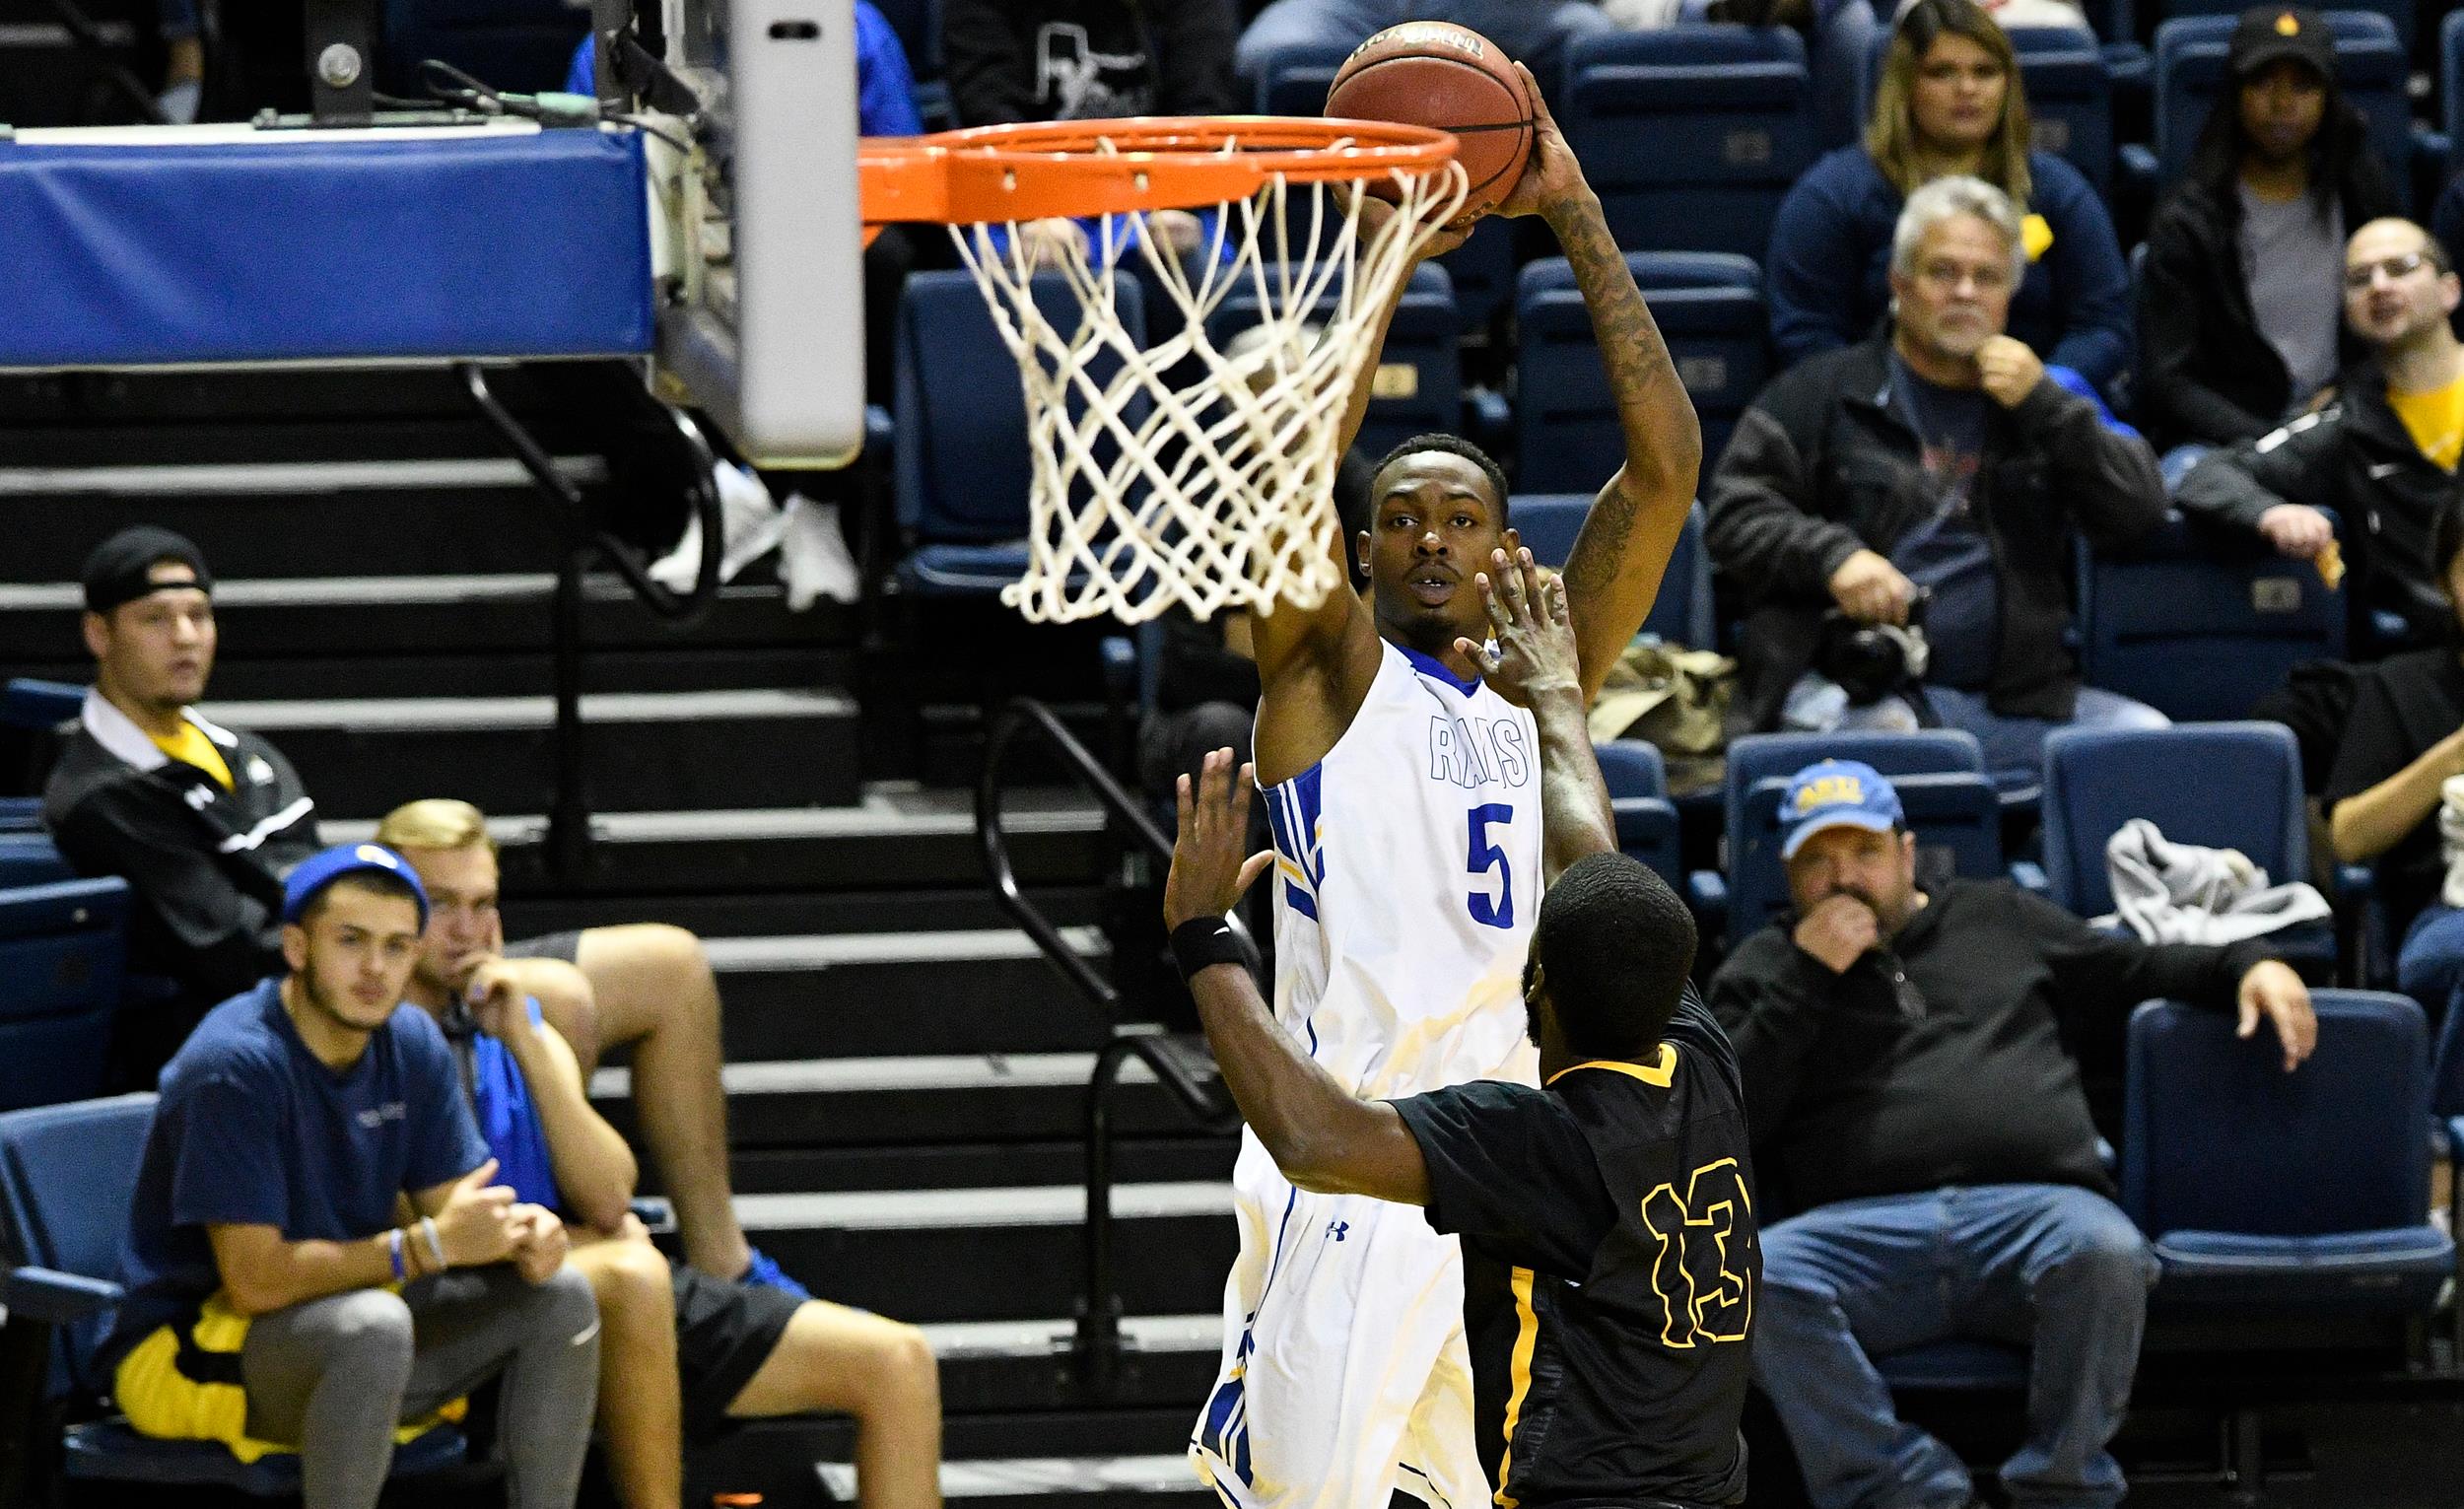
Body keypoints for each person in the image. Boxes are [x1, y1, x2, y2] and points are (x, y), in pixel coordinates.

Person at [1188, 68, 1704, 1509]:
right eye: (1397, 517)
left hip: (1488, 1173)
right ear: (1358, 553)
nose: (1427, 537)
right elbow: (1288, 478)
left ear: (1500, 546)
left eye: (1459, 517)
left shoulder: (1541, 682)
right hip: (1343, 1158)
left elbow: (1665, 470)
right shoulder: (1325, 678)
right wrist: (1378, 259)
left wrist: (1578, 212)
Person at [41, 524, 805, 1298]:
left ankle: (725, 1263)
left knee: (667, 964)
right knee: (554, 998)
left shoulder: (244, 750)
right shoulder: (100, 795)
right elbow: (238, 947)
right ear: (99, 633)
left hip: (354, 942)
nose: (185, 637)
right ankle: (524, 1241)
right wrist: (395, 946)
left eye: (199, 616)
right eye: (155, 619)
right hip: (281, 994)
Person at [1162, 546, 1755, 1505]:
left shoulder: (1548, 1142)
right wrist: (1558, 700)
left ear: (1538, 985)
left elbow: (1314, 1136)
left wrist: (1200, 939)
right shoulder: (1701, 1063)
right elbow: (1594, 863)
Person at [1709, 760, 2317, 1509]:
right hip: (1863, 1236)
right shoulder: (1765, 965)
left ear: (1907, 852)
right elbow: (1725, 1120)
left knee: (2107, 1249)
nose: (1844, 879)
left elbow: (2137, 965)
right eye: (1818, 861)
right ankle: (1900, 1490)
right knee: (1746, 1276)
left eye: (1864, 853)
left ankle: (2062, 1487)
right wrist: (1805, 977)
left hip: (2033, 1215)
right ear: (1788, 873)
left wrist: (2250, 964)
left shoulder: (2000, 916)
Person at [376, 799, 944, 1509]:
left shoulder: (512, 1008)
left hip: (569, 1268)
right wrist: (574, 1232)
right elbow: (435, 1227)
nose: (470, 930)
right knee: (633, 1269)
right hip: (466, 1302)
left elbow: (610, 1190)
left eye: (484, 904)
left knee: (897, 1362)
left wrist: (527, 1043)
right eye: (443, 905)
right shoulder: (374, 1040)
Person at [101, 844, 602, 1509]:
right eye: (352, 941)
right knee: (373, 1325)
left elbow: (456, 1206)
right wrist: (421, 1247)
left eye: (397, 947)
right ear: (297, 946)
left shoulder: (410, 1040)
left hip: (344, 1324)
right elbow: (252, 1280)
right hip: (195, 1347)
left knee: (560, 1293)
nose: (375, 968)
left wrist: (520, 1233)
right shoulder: (234, 1065)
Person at [1707, 174, 2168, 786]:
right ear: (1900, 284)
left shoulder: (2043, 406)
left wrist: (2048, 408)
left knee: (2151, 747)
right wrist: (1835, 558)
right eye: (1942, 273)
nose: (1966, 293)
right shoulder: (1822, 393)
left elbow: (2138, 514)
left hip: (2015, 704)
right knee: (1898, 753)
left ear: (2010, 296)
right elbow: (1734, 513)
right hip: (1854, 689)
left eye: (1987, 277)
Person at [1764, 0, 2132, 393]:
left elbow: (2104, 324)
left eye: (1985, 72)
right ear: (1904, 86)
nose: (1967, 89)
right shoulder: (1833, 195)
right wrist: (1879, 404)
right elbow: (1805, 333)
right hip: (1874, 426)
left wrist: (2042, 386)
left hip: (2026, 419)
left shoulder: (2057, 190)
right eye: (1942, 72)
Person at [2175, 218, 2464, 652]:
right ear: (2347, 311)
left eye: (2401, 267)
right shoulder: (2343, 426)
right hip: (2432, 656)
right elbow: (2208, 476)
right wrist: (2270, 514)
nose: (2380, 286)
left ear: (2450, 290)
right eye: (2359, 279)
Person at [2137, 7, 2400, 469]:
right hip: (2225, 440)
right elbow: (2169, 379)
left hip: (2348, 422)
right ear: (2234, 96)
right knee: (2188, 483)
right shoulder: (2188, 220)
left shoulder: (2362, 195)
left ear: (2328, 98)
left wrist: (2346, 400)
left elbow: (2398, 332)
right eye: (2263, 84)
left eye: (2303, 86)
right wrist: (2271, 440)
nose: (2282, 104)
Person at [945, 0, 1240, 265]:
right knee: (1030, 260)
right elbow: (989, 112)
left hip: (1157, 184)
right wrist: (1032, 211)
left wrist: (1179, 202)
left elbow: (1203, 108)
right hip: (1025, 187)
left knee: (1184, 256)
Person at [2324, 495, 2464, 1017]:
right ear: (2447, 584)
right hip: (2443, 913)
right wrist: (2448, 758)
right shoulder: (2401, 684)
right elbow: (2348, 837)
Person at [1232, 1, 1613, 107]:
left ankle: (1558, 236)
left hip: (1494, 9)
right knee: (1263, 53)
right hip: (1357, 6)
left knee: (1591, 41)